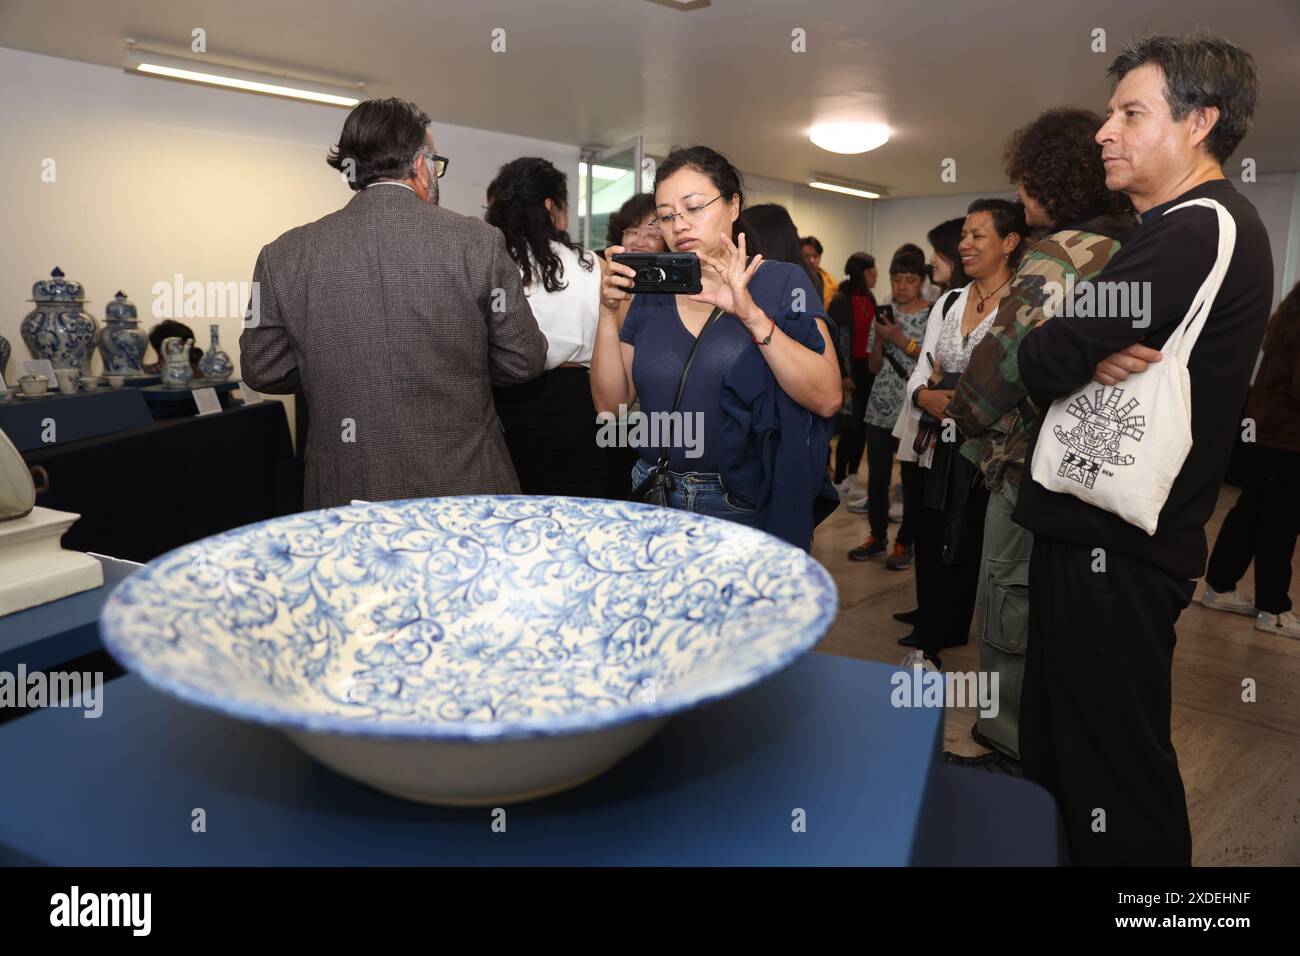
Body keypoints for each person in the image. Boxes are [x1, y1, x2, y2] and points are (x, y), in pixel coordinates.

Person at [1013, 35, 1272, 866]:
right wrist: (1080, 344)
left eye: (1131, 112)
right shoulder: (1182, 228)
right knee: (1068, 745)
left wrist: (1069, 345)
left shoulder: (1196, 227)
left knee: (1112, 772)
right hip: (1102, 533)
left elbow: (1042, 356)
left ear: (1199, 122)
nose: (1104, 132)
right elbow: (1077, 344)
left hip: (1115, 544)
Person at [944, 107, 1138, 774]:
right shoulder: (1131, 242)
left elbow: (996, 370)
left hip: (1031, 467)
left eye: (1026, 182)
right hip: (1102, 470)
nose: (1020, 198)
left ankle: (1005, 743)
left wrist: (960, 410)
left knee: (1008, 601)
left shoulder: (1061, 255)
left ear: (1051, 182)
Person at [239, 97, 547, 510]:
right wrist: (459, 363)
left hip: (345, 489)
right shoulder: (479, 242)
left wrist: (336, 367)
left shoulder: (282, 254)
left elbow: (262, 368)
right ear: (420, 164)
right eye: (435, 163)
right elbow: (523, 360)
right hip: (466, 485)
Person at [590, 146, 841, 546]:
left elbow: (827, 397)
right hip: (652, 496)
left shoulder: (781, 283)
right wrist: (607, 311)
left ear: (733, 205)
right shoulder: (652, 295)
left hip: (738, 504)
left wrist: (751, 315)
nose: (679, 225)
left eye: (693, 207)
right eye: (667, 216)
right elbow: (611, 408)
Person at [902, 200, 1026, 669]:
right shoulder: (950, 302)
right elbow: (921, 371)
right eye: (964, 236)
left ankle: (962, 634)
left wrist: (947, 387)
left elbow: (1010, 382)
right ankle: (935, 631)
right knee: (937, 533)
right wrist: (922, 396)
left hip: (994, 452)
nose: (965, 244)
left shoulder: (1021, 306)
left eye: (978, 235)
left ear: (1009, 243)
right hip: (941, 441)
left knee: (976, 539)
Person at [485, 158, 604, 498]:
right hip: (578, 405)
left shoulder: (491, 260)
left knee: (513, 511)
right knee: (577, 510)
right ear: (551, 206)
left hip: (505, 402)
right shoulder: (591, 265)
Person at [1200, 281, 1300, 640]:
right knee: (1279, 524)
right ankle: (1273, 610)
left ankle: (1221, 587)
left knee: (1253, 512)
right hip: (1288, 439)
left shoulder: (1289, 315)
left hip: (1269, 433)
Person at [889, 219, 969, 631]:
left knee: (945, 526)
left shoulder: (961, 301)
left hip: (947, 427)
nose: (931, 261)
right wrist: (928, 384)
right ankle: (926, 607)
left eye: (938, 253)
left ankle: (942, 617)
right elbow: (927, 370)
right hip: (920, 419)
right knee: (923, 517)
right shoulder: (947, 300)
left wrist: (935, 380)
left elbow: (950, 372)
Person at [846, 247, 930, 569]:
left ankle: (905, 543)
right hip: (879, 407)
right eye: (897, 280)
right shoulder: (882, 315)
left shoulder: (933, 313)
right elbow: (873, 366)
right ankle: (877, 536)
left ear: (921, 281)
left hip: (912, 411)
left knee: (910, 481)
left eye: (910, 280)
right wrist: (881, 338)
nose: (902, 286)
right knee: (877, 478)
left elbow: (932, 360)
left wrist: (899, 338)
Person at [827, 253, 878, 493]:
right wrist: (844, 374)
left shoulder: (869, 297)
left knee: (864, 427)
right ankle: (839, 478)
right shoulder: (841, 298)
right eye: (871, 271)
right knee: (850, 426)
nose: (875, 275)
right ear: (861, 273)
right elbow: (836, 340)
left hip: (869, 370)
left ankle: (854, 476)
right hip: (849, 371)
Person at [801, 236, 839, 306]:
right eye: (806, 256)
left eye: (815, 256)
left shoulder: (832, 283)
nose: (811, 260)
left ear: (820, 257)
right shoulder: (790, 279)